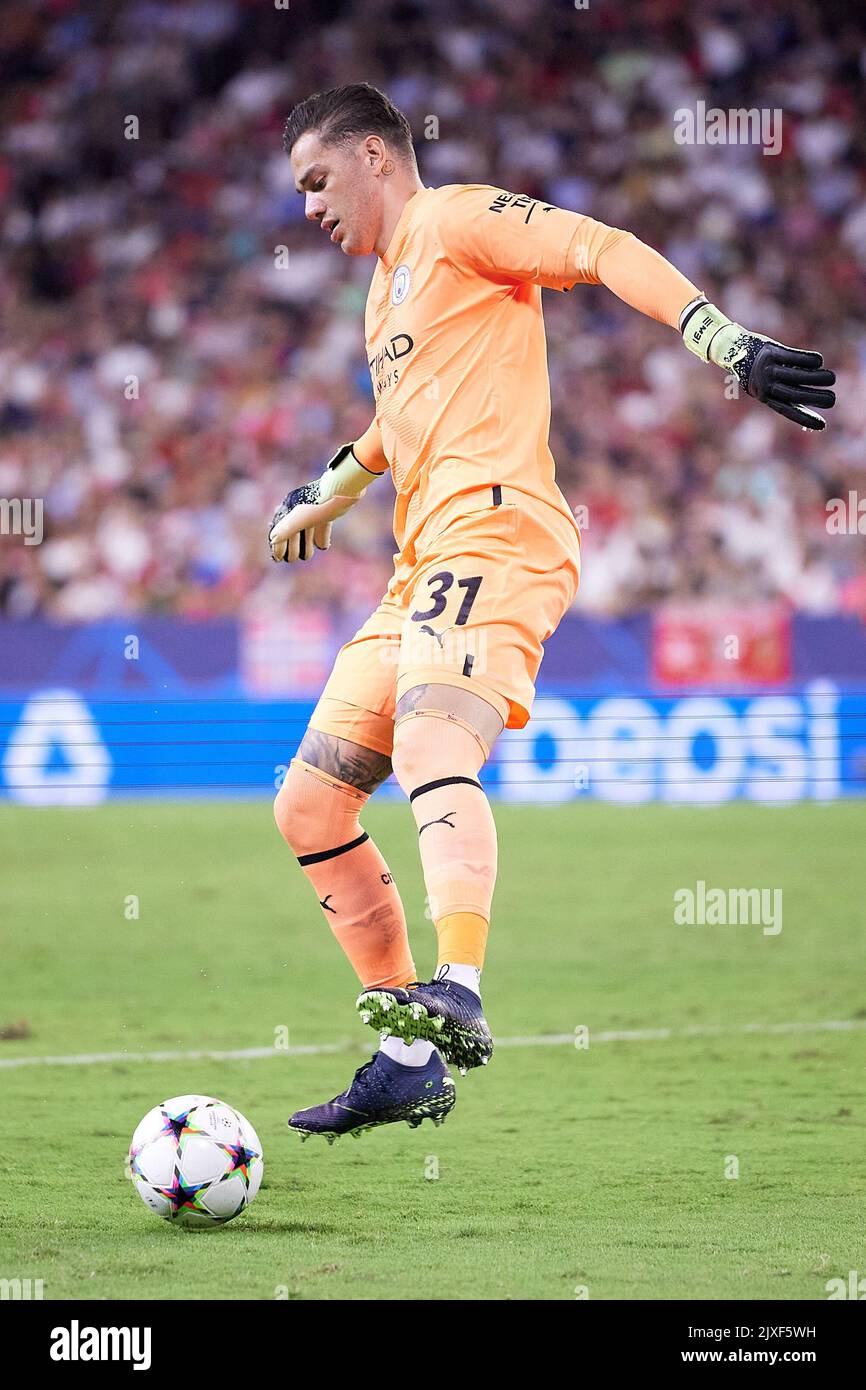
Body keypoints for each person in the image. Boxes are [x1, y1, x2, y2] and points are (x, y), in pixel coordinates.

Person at [270, 83, 835, 1142]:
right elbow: (394, 424)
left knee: (436, 731)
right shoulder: (383, 290)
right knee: (308, 807)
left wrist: (718, 341)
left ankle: (459, 986)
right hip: (418, 561)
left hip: (499, 531)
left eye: (315, 180)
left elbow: (596, 244)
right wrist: (326, 491)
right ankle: (403, 1055)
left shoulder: (454, 219)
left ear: (376, 158)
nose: (307, 208)